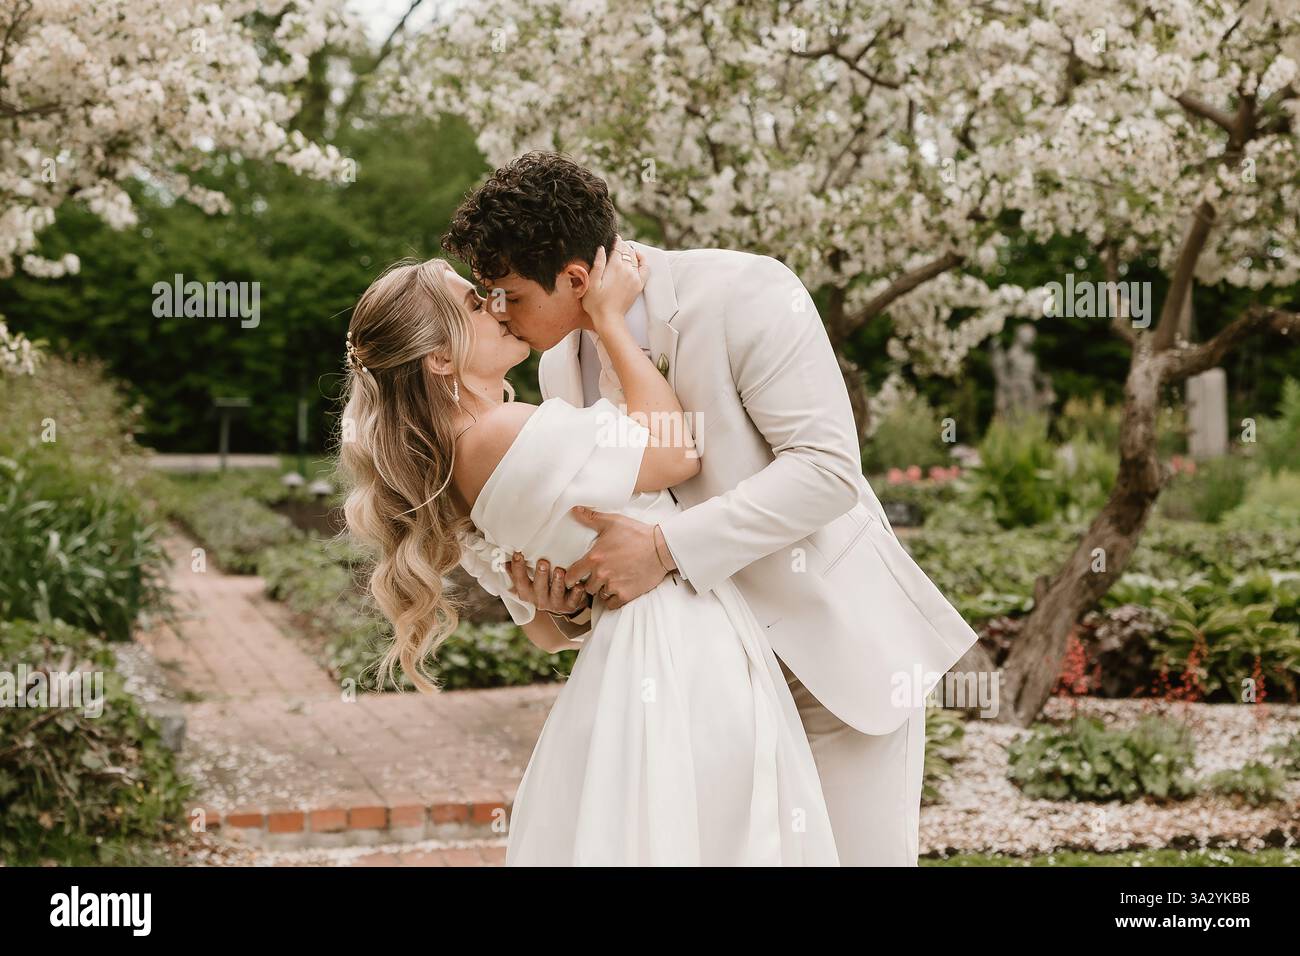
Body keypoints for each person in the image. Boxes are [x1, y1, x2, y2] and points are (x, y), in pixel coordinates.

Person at [337, 237, 839, 865]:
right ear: (441, 358)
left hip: (621, 650)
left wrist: (566, 605)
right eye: (476, 304)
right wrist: (609, 320)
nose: (497, 308)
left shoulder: (448, 471)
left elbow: (546, 632)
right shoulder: (502, 433)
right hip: (680, 647)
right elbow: (676, 452)